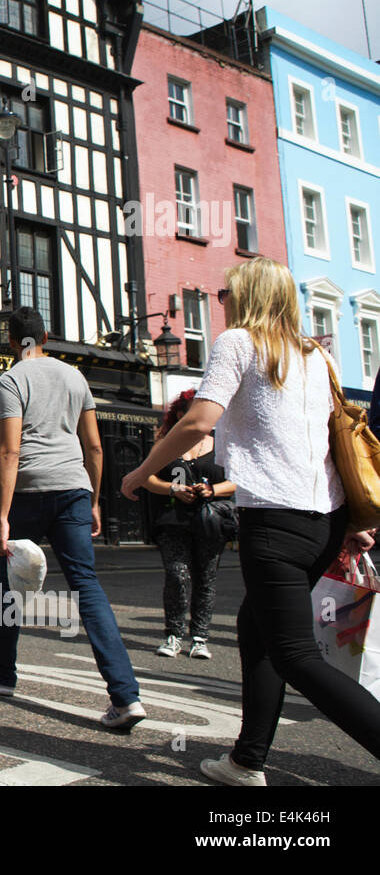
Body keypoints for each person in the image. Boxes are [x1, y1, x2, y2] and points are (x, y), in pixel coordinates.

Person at [123, 257, 379, 785]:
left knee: (295, 655)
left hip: (275, 521)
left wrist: (142, 471)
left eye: (225, 294)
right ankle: (246, 761)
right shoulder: (315, 355)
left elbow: (198, 420)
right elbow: (328, 444)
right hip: (322, 522)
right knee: (254, 631)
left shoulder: (239, 342)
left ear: (247, 296)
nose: (222, 302)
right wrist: (350, 518)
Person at [0, 306, 147, 731]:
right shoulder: (75, 376)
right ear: (45, 335)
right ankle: (125, 696)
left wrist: (3, 516)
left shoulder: (11, 379)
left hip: (31, 490)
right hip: (74, 489)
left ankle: (2, 675)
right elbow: (96, 447)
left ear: (12, 341)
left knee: (9, 582)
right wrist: (95, 501)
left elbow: (10, 451)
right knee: (86, 585)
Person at [144, 389, 237, 659]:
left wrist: (212, 491)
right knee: (177, 574)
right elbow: (147, 477)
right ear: (181, 414)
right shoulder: (166, 442)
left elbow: (238, 480)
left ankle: (200, 637)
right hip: (174, 522)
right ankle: (173, 634)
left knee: (206, 579)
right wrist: (173, 490)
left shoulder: (223, 444)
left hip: (211, 522)